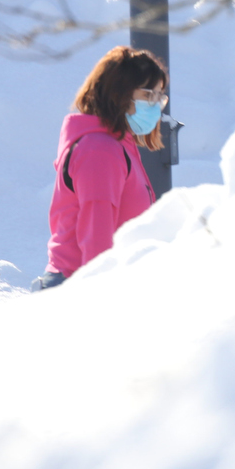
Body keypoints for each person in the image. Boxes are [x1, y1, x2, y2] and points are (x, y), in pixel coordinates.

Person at [32, 46, 167, 291]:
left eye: (160, 96)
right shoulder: (99, 150)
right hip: (81, 288)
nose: (156, 105)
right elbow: (97, 236)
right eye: (149, 95)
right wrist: (101, 299)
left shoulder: (116, 145)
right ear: (120, 93)